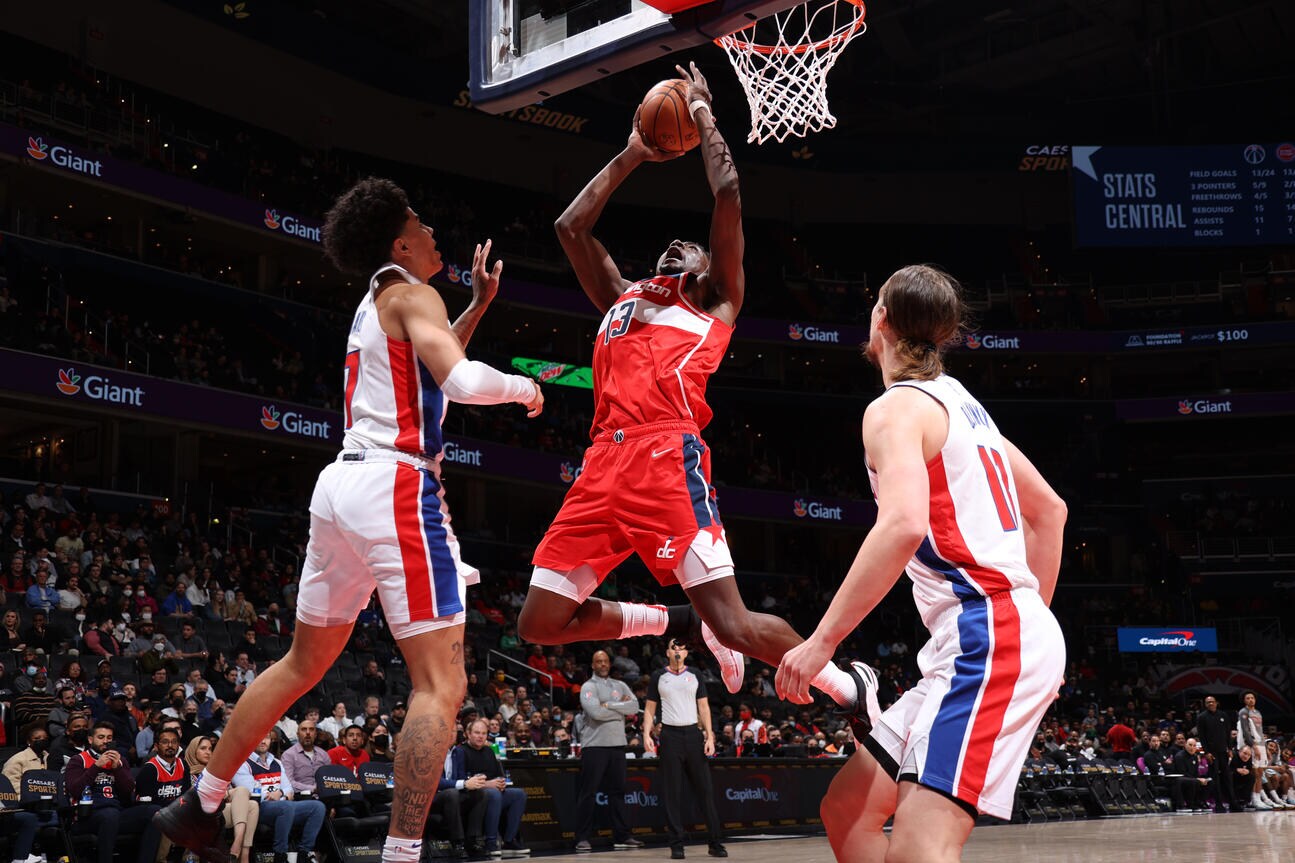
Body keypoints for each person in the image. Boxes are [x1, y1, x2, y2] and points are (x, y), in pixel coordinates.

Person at [155, 176, 544, 863]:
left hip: (341, 486)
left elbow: (428, 365)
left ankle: (200, 802)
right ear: (400, 240)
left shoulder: (378, 301)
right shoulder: (410, 293)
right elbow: (458, 381)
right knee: (439, 685)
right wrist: (524, 387)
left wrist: (478, 307)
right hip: (395, 485)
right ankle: (399, 856)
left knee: (302, 661)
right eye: (422, 223)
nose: (432, 233)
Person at [515, 63, 861, 719]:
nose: (680, 243)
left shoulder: (715, 305)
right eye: (672, 243)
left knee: (733, 625)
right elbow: (569, 227)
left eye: (692, 247)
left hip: (664, 460)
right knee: (539, 621)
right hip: (599, 467)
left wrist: (701, 111)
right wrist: (634, 152)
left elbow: (727, 189)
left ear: (708, 270)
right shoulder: (621, 296)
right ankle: (674, 618)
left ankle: (849, 689)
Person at [776, 265, 1069, 863]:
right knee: (848, 809)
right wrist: (1036, 621)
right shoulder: (964, 405)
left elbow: (904, 525)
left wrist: (822, 642)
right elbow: (1051, 512)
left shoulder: (894, 410)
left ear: (879, 319)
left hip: (989, 634)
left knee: (918, 844)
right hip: (977, 639)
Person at [643, 638, 725, 860]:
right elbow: (650, 709)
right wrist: (646, 734)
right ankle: (676, 844)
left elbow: (704, 707)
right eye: (673, 648)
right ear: (667, 652)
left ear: (686, 652)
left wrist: (709, 735)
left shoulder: (695, 675)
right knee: (672, 793)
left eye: (681, 648)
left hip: (692, 734)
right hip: (669, 736)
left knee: (705, 791)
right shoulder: (659, 676)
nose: (677, 651)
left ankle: (715, 842)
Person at [573, 650, 643, 853]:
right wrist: (619, 710)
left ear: (609, 664)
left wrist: (610, 705)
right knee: (588, 793)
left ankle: (622, 836)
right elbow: (595, 712)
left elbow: (634, 707)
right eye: (598, 662)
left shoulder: (620, 685)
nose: (602, 664)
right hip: (594, 746)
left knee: (618, 793)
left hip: (617, 745)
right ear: (593, 665)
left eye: (605, 661)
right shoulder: (588, 686)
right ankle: (582, 838)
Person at [65, 720, 164, 863]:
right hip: (87, 816)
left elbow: (128, 791)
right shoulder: (78, 760)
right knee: (110, 815)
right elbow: (75, 790)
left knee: (156, 812)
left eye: (109, 738)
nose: (105, 741)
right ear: (90, 739)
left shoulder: (120, 760)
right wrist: (96, 766)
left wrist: (118, 768)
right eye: (101, 737)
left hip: (116, 813)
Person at [232, 731, 326, 863]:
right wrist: (282, 796)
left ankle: (304, 853)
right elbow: (252, 791)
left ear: (271, 740)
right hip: (257, 809)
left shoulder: (276, 762)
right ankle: (280, 855)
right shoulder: (242, 764)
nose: (263, 741)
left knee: (317, 807)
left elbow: (289, 788)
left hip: (283, 804)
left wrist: (281, 794)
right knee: (286, 807)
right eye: (258, 738)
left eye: (266, 737)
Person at [444, 718, 530, 858]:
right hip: (473, 793)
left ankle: (509, 841)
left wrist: (501, 783)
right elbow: (461, 780)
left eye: (484, 733)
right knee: (493, 794)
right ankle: (490, 843)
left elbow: (498, 775)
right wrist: (488, 784)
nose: (480, 736)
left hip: (491, 790)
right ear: (468, 734)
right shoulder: (460, 751)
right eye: (477, 733)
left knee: (518, 794)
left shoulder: (489, 751)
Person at [185, 736, 259, 863]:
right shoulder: (187, 772)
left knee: (252, 805)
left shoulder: (218, 771)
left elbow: (231, 797)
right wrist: (220, 794)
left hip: (221, 811)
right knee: (242, 792)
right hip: (202, 815)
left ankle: (243, 852)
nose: (208, 752)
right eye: (203, 748)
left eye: (210, 749)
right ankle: (239, 848)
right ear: (193, 751)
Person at [3, 722, 59, 863]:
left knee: (62, 817)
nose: (42, 740)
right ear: (29, 742)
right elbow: (10, 788)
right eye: (37, 738)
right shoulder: (17, 760)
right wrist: (30, 800)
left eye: (44, 738)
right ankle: (24, 855)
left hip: (48, 804)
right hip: (26, 806)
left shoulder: (49, 758)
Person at [1193, 695, 1234, 812]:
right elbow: (1202, 736)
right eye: (1207, 702)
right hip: (1212, 753)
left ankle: (1232, 802)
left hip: (1224, 751)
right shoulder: (1202, 717)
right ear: (1205, 705)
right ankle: (1219, 803)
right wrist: (1206, 752)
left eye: (1212, 702)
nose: (1210, 704)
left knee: (1227, 777)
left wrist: (1230, 748)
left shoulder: (1223, 715)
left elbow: (1228, 733)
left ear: (1216, 703)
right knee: (1215, 778)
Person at [282, 718, 333, 797]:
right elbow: (289, 782)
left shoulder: (323, 754)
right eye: (304, 730)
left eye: (311, 729)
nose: (308, 733)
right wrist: (313, 788)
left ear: (315, 734)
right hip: (300, 797)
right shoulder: (288, 755)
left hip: (324, 795)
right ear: (298, 734)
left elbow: (330, 779)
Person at [1236, 690, 1270, 809]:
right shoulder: (1244, 712)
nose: (1250, 700)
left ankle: (1258, 798)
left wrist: (1265, 747)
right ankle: (1253, 799)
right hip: (1252, 745)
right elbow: (1246, 731)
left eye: (1252, 698)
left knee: (1260, 773)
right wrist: (1254, 746)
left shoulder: (1258, 712)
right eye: (1248, 698)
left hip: (1261, 744)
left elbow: (1260, 731)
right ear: (1244, 700)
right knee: (1254, 773)